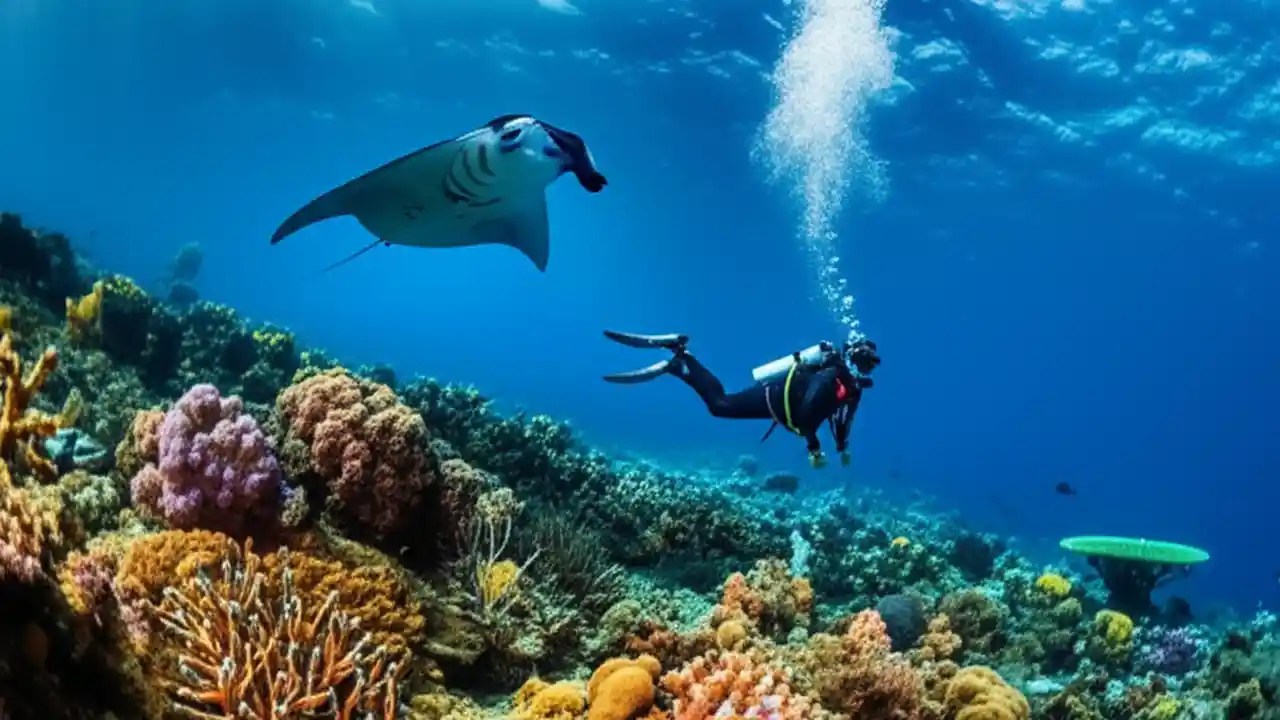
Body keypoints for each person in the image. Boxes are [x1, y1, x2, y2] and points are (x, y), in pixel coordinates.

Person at [602, 330, 880, 468]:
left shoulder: (851, 388)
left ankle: (680, 360)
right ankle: (680, 358)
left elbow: (841, 421)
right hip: (774, 398)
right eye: (866, 361)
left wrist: (840, 446)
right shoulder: (833, 376)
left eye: (870, 364)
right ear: (854, 357)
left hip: (779, 404)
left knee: (720, 404)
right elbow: (809, 415)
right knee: (720, 405)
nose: (868, 367)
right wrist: (815, 447)